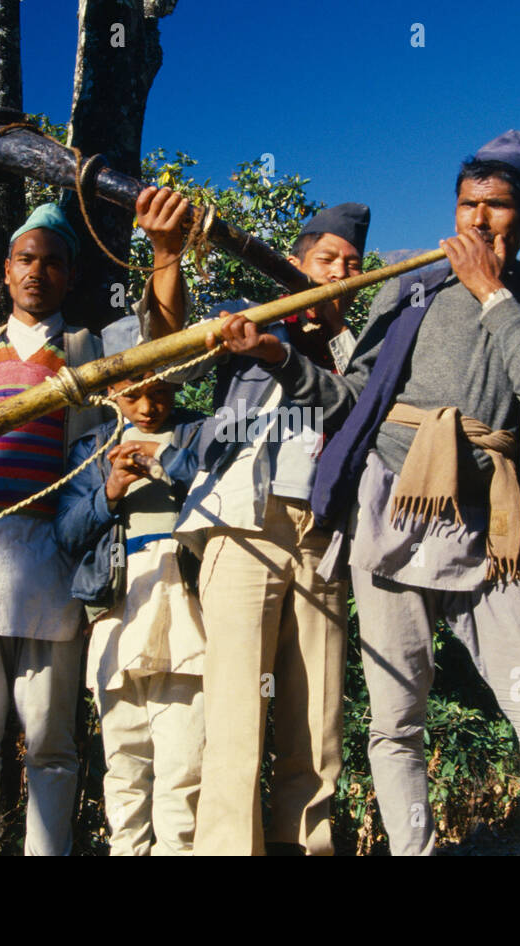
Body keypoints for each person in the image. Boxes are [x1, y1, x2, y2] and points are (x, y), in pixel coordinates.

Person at [220, 132, 520, 856]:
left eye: (498, 207)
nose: (479, 222)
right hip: (390, 513)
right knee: (397, 723)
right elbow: (350, 398)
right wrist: (279, 357)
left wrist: (490, 294)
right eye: (467, 206)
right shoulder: (410, 289)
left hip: (489, 531)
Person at [0, 187, 192, 855]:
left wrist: (165, 254)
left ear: (70, 276)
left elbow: (163, 348)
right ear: (6, 269)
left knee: (53, 744)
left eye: (53, 263)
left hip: (57, 558)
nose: (36, 272)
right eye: (25, 259)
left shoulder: (95, 351)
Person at [177, 203, 370, 855]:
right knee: (234, 716)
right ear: (295, 266)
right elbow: (172, 365)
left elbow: (349, 404)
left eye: (351, 266)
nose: (340, 274)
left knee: (315, 724)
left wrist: (294, 349)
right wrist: (165, 255)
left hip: (325, 535)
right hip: (245, 523)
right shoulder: (245, 315)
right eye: (326, 263)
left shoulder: (356, 348)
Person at [58, 366, 207, 855]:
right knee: (124, 756)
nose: (147, 408)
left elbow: (226, 501)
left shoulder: (196, 434)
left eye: (160, 393)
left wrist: (170, 463)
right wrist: (110, 491)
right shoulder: (91, 450)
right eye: (134, 394)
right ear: (110, 391)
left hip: (187, 597)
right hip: (120, 600)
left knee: (184, 761)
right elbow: (68, 535)